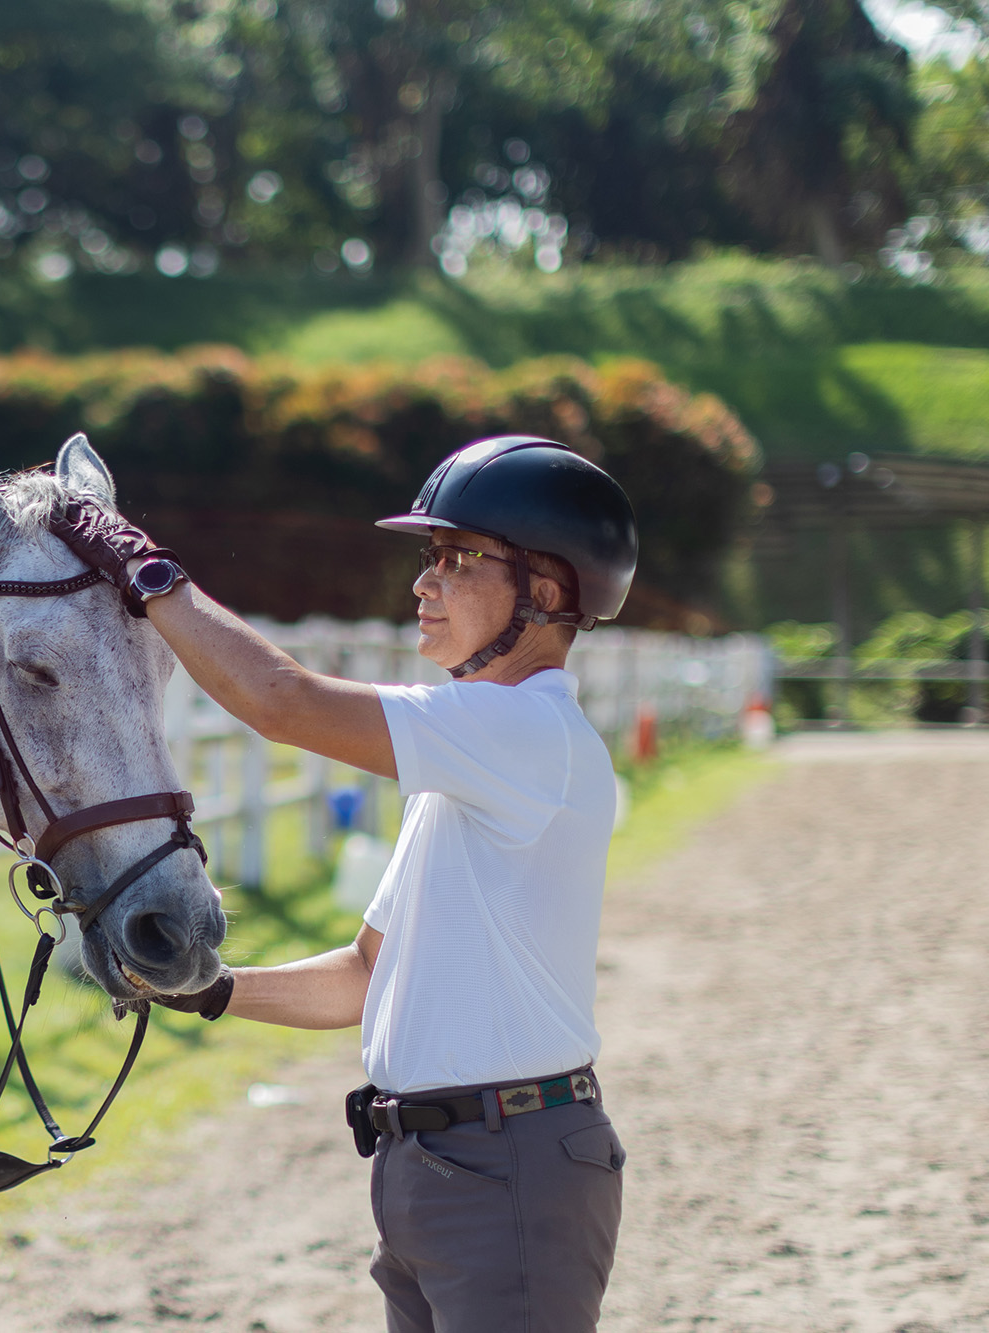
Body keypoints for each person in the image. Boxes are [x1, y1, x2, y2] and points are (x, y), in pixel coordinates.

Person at [50, 435, 639, 1332]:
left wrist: (147, 570)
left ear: (548, 593)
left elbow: (280, 701)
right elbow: (366, 977)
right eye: (428, 557)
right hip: (432, 1167)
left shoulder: (523, 731)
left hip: (507, 1164)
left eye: (460, 558)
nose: (424, 583)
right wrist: (206, 990)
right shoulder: (466, 770)